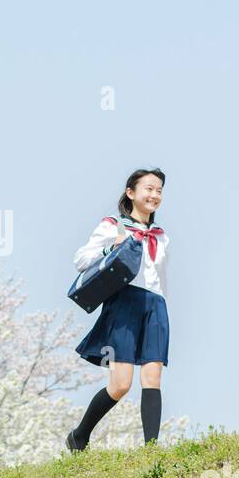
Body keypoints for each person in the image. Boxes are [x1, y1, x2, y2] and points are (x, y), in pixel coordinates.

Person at [66, 169, 169, 450]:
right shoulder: (113, 225)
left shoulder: (161, 236)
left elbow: (161, 276)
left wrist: (161, 307)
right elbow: (81, 259)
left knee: (153, 376)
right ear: (131, 192)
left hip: (156, 305)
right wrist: (111, 246)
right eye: (149, 188)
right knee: (121, 384)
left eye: (159, 190)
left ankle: (151, 450)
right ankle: (79, 435)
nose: (155, 195)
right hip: (124, 303)